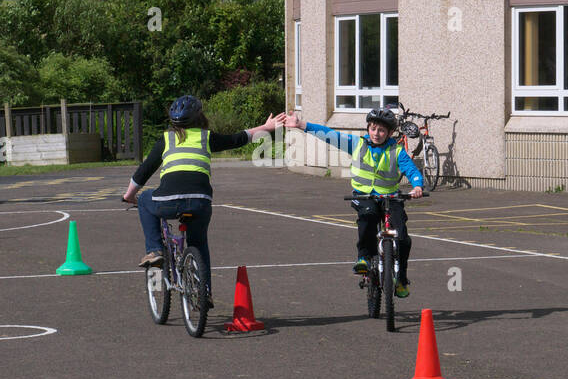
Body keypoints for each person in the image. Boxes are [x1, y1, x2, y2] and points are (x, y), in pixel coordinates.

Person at [123, 96, 283, 305]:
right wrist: (267, 126)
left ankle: (154, 250)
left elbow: (142, 174)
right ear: (200, 118)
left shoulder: (166, 139)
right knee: (199, 243)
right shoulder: (207, 137)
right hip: (200, 201)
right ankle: (204, 292)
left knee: (144, 198)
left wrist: (128, 197)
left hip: (168, 200)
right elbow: (239, 138)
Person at [284, 107, 423, 298]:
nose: (376, 133)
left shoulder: (396, 150)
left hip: (390, 197)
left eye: (382, 130)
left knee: (403, 238)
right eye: (373, 129)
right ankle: (364, 258)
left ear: (390, 133)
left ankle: (401, 279)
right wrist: (301, 125)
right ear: (368, 129)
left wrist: (417, 187)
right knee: (368, 217)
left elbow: (412, 171)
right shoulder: (357, 144)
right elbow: (329, 134)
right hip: (364, 196)